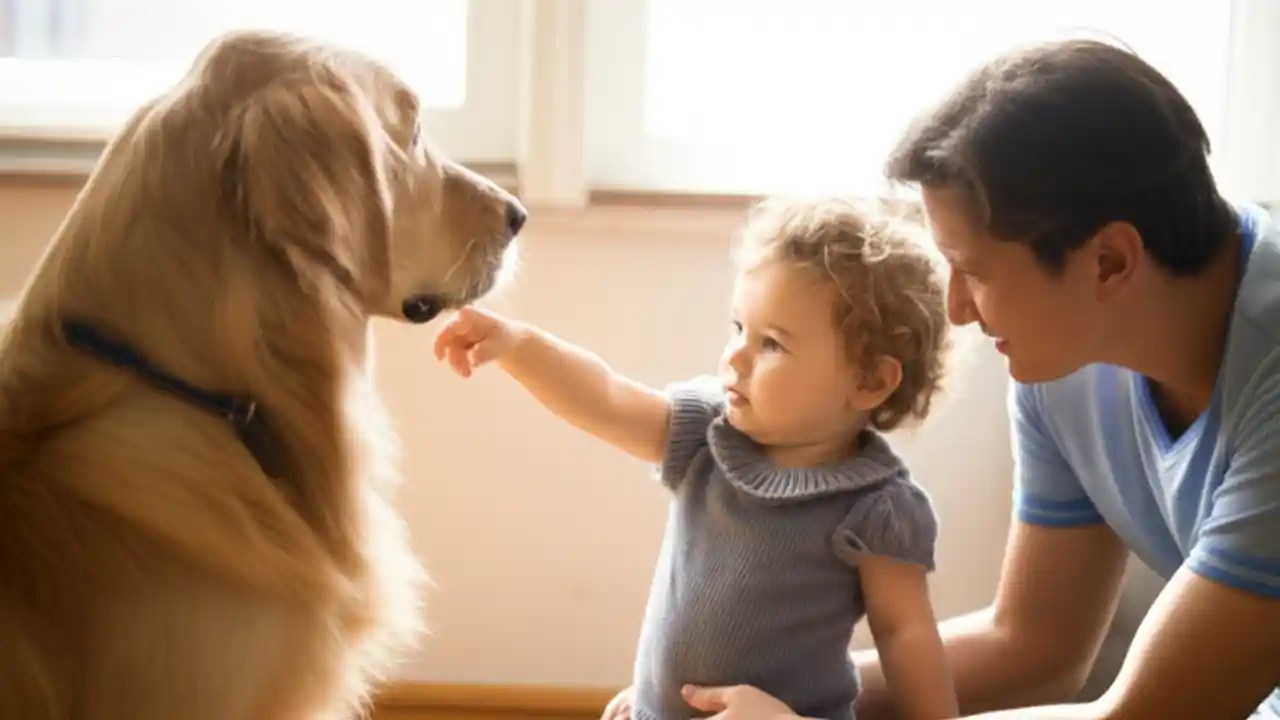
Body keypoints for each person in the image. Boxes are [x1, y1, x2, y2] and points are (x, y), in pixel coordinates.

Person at [632, 37, 1280, 720]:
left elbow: (1147, 716)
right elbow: (1033, 645)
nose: (957, 310)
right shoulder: (1061, 356)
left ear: (1111, 261)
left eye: (975, 272)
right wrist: (696, 696)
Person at [433, 196, 960, 719]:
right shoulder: (708, 434)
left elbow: (905, 635)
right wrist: (519, 346)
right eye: (739, 329)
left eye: (772, 344)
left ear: (868, 381)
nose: (735, 356)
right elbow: (608, 399)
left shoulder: (876, 509)